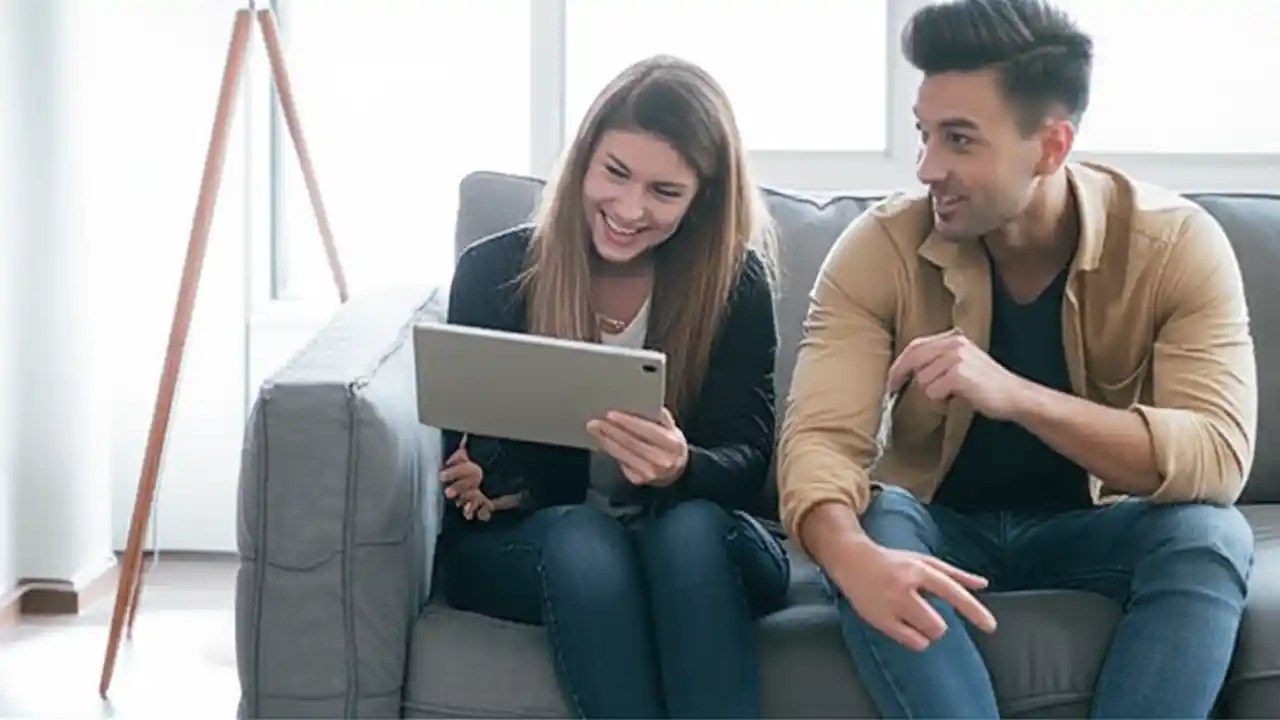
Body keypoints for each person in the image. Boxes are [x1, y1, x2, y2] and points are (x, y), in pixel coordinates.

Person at [778, 1, 1257, 717]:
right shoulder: (877, 250)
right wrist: (852, 563)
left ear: (1051, 146)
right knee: (877, 525)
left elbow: (1216, 454)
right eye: (924, 133)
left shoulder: (1174, 245)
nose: (927, 166)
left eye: (960, 141)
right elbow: (819, 445)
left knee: (1210, 534)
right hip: (936, 525)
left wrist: (1016, 395)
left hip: (1090, 531)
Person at [435, 55, 790, 719]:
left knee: (684, 532)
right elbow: (475, 451)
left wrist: (684, 466)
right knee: (584, 541)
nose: (628, 210)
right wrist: (488, 482)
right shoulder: (495, 272)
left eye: (664, 192)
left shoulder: (734, 283)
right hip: (547, 540)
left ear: (702, 199)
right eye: (615, 174)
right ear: (584, 162)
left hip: (693, 539)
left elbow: (747, 456)